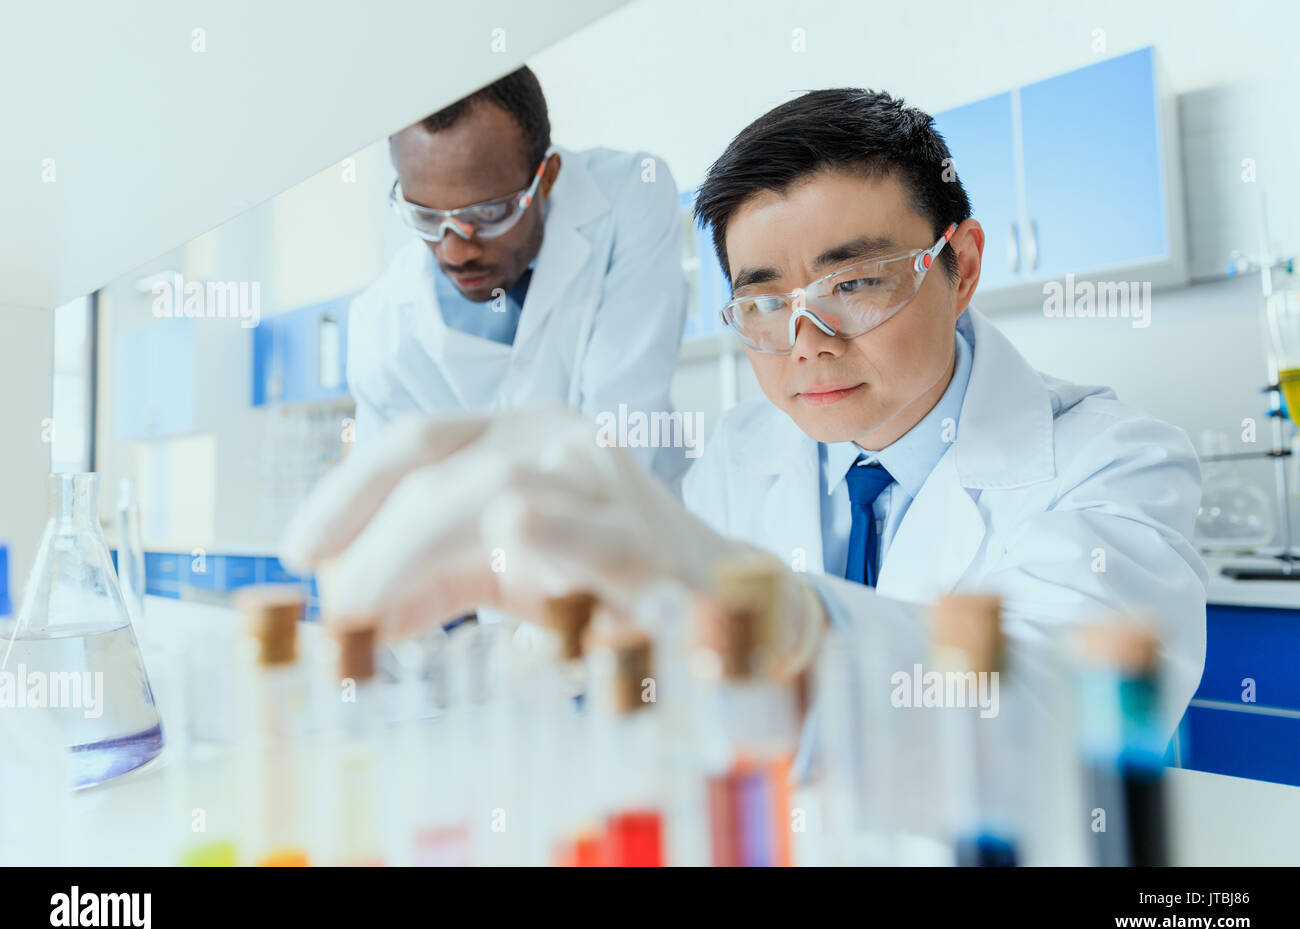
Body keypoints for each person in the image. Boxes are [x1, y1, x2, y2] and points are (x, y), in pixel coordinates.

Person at [284, 88, 1207, 743]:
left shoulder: (1116, 463)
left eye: (853, 283)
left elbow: (1065, 721)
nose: (806, 342)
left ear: (960, 266)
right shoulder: (739, 455)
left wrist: (787, 629)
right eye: (764, 302)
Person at [346, 66, 690, 487]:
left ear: (546, 180)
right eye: (425, 215)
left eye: (488, 214)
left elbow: (618, 441)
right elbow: (384, 502)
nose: (455, 250)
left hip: (639, 541)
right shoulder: (382, 324)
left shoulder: (628, 197)